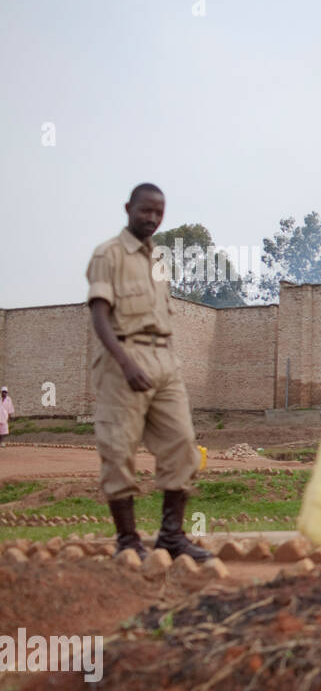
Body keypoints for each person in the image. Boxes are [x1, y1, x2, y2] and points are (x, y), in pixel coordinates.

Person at [86, 183, 212, 562]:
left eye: (159, 212)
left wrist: (168, 361)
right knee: (119, 449)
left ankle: (171, 537)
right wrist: (125, 362)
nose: (153, 218)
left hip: (164, 361)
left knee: (182, 444)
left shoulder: (159, 260)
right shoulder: (108, 254)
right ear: (129, 208)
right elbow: (99, 313)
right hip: (123, 357)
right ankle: (127, 542)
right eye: (146, 211)